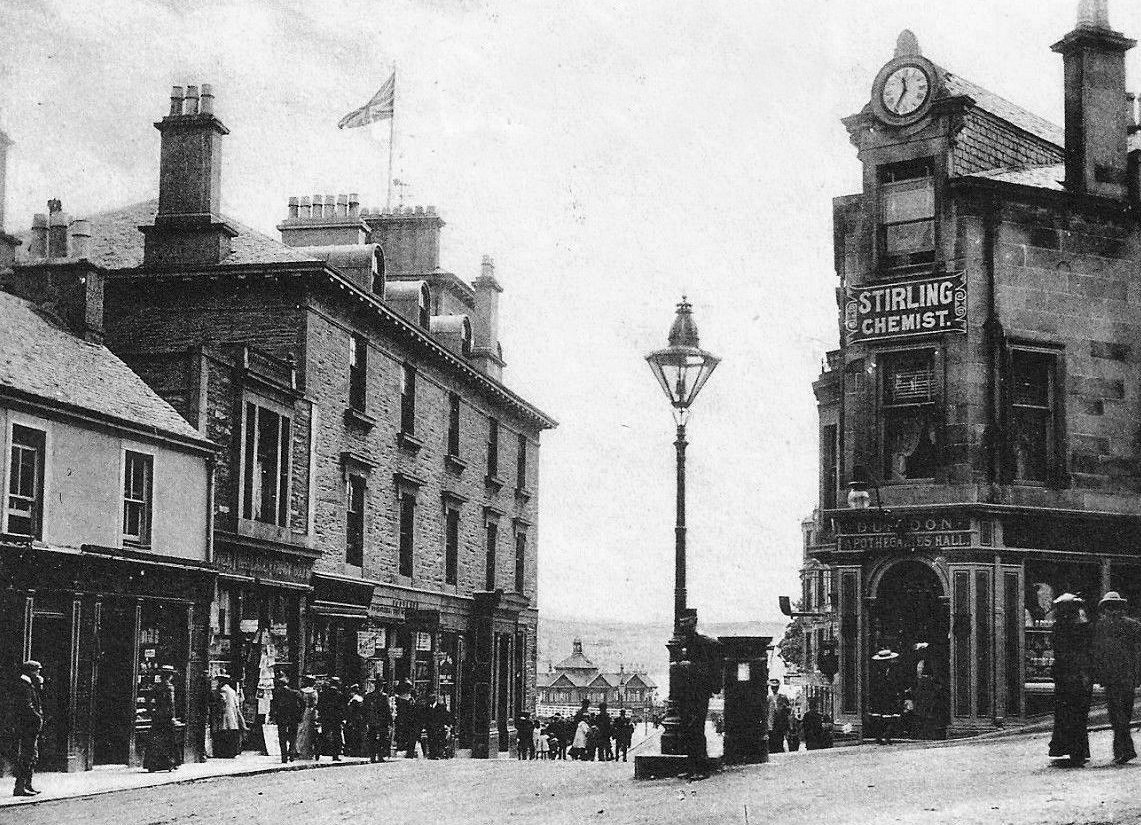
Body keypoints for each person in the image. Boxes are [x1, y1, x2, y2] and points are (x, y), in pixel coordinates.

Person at [1092, 591, 1141, 765]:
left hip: (1114, 676)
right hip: (1125, 676)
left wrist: (1099, 674)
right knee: (1123, 714)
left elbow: (1098, 653)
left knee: (1117, 714)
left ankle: (1123, 750)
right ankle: (1122, 750)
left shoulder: (1102, 626)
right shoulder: (1132, 625)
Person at [1048, 593, 1092, 767]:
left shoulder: (1059, 628)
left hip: (1066, 677)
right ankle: (1078, 750)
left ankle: (1066, 748)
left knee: (1066, 714)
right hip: (1078, 676)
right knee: (1078, 715)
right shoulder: (1082, 628)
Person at [11, 660, 44, 796]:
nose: (38, 673)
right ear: (30, 671)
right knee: (26, 757)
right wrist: (38, 718)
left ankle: (27, 785)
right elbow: (27, 707)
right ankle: (20, 787)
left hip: (31, 728)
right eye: (37, 671)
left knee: (32, 756)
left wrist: (40, 684)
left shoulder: (30, 685)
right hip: (27, 727)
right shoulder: (23, 686)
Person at [144, 665, 181, 772]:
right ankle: (170, 763)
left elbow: (149, 701)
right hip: (167, 717)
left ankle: (153, 764)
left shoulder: (156, 687)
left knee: (155, 740)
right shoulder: (170, 687)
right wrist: (173, 717)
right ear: (170, 676)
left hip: (157, 717)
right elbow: (171, 704)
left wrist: (152, 712)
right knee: (169, 740)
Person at [869, 649, 903, 745]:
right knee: (884, 717)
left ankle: (885, 736)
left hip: (886, 696)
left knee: (888, 717)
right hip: (883, 696)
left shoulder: (891, 670)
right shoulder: (880, 671)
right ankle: (881, 737)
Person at [270, 674, 303, 764]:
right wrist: (300, 714)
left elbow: (273, 706)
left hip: (282, 718)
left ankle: (284, 757)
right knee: (293, 736)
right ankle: (291, 754)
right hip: (293, 718)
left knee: (282, 737)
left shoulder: (276, 694)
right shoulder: (295, 693)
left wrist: (273, 715)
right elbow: (302, 704)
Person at [213, 674, 245, 758]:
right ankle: (232, 752)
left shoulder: (222, 690)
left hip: (225, 714)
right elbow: (237, 704)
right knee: (232, 733)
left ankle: (225, 753)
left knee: (225, 733)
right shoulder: (232, 690)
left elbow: (222, 702)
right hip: (232, 714)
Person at [362, 681, 392, 762]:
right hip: (382, 721)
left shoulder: (368, 696)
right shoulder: (383, 696)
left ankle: (372, 757)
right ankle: (380, 756)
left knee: (372, 739)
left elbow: (364, 710)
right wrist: (390, 721)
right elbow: (387, 710)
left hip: (372, 721)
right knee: (382, 739)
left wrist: (365, 720)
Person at [317, 677, 345, 761]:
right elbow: (342, 708)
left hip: (326, 717)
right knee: (337, 736)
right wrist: (342, 718)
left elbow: (319, 706)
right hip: (336, 718)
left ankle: (318, 752)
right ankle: (335, 755)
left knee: (324, 734)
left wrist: (321, 715)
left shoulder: (324, 693)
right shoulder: (339, 694)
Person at [295, 676, 319, 759]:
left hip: (304, 711)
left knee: (302, 730)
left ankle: (300, 750)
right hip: (312, 711)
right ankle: (308, 751)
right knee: (311, 731)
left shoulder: (302, 691)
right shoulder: (314, 691)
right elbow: (316, 702)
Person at [394, 680, 417, 758]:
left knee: (410, 737)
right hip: (403, 721)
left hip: (410, 722)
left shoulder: (410, 699)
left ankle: (409, 752)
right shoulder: (401, 699)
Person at [426, 694, 452, 759]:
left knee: (437, 741)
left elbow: (445, 716)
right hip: (430, 728)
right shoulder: (427, 707)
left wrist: (448, 725)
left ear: (435, 699)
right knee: (431, 741)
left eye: (432, 699)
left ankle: (437, 755)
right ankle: (432, 755)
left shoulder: (441, 707)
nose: (430, 700)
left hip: (439, 728)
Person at [766, 679, 788, 753]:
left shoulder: (783, 697)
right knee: (772, 740)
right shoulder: (769, 698)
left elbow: (788, 710)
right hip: (771, 723)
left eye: (776, 687)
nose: (774, 689)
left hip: (780, 723)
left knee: (779, 740)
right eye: (773, 687)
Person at [344, 684, 365, 757]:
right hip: (359, 719)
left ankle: (354, 751)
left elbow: (351, 711)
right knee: (357, 735)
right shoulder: (360, 698)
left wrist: (349, 720)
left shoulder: (354, 699)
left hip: (354, 719)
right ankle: (357, 751)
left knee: (353, 735)